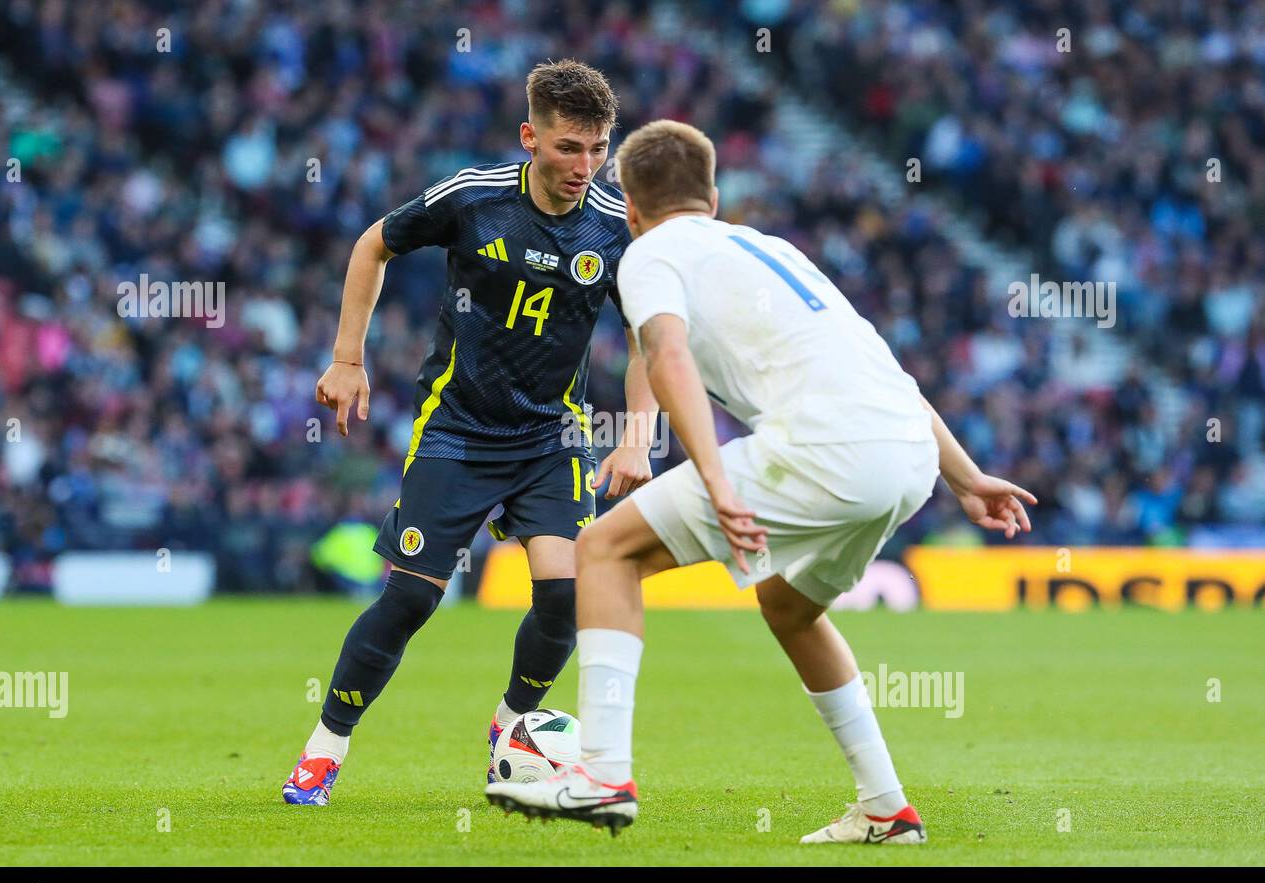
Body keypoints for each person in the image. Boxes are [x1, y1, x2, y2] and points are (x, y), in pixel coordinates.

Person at [485, 120, 1036, 842]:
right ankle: (885, 807)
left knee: (603, 551)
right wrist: (965, 479)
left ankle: (601, 775)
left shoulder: (649, 253)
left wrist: (712, 475)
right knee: (789, 606)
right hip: (905, 456)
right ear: (713, 195)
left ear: (631, 210)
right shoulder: (775, 251)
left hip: (824, 449)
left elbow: (667, 358)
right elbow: (882, 369)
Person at [283, 61, 657, 805]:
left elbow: (648, 338)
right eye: (567, 147)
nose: (584, 166)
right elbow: (373, 245)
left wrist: (639, 432)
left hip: (552, 436)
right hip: (457, 427)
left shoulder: (617, 228)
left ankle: (513, 729)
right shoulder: (473, 198)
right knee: (411, 600)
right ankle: (323, 750)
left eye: (597, 148)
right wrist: (347, 359)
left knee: (564, 596)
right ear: (530, 138)